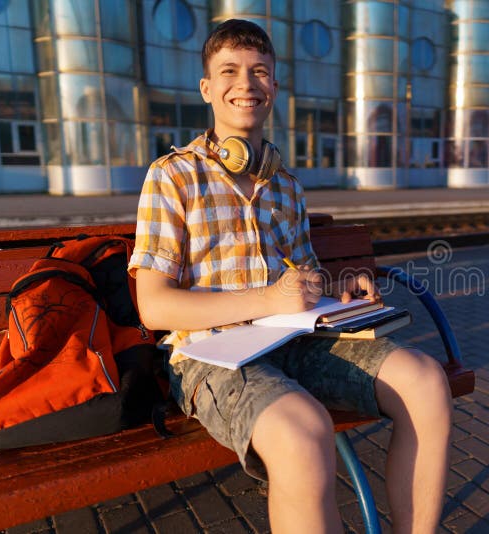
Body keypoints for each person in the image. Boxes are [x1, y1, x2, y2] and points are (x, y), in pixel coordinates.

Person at [128, 19, 452, 533]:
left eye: (260, 72)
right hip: (210, 356)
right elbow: (156, 306)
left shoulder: (285, 185)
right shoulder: (172, 176)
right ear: (207, 89)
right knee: (304, 433)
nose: (247, 83)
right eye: (229, 71)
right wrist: (268, 299)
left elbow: (300, 282)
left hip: (295, 341)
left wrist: (335, 291)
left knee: (426, 382)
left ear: (274, 87)